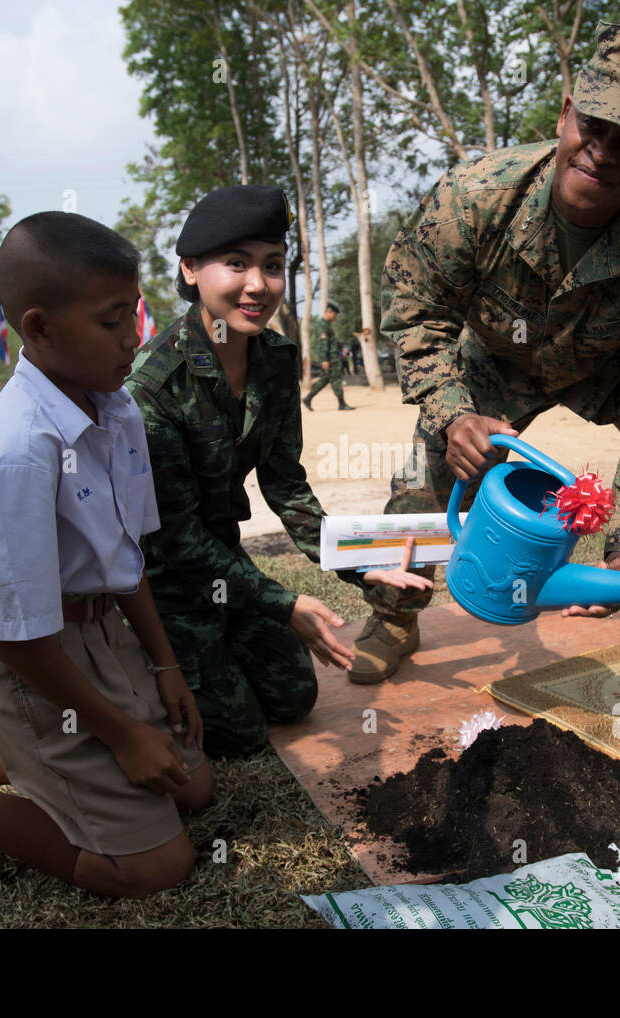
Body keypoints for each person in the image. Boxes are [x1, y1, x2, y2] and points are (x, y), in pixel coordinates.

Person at [352, 21, 620, 779]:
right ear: (565, 114)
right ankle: (394, 617)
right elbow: (416, 312)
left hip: (617, 373)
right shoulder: (476, 197)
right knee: (426, 483)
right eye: (595, 125)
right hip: (493, 364)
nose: (604, 150)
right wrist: (452, 411)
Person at [0, 212, 211, 901]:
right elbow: (10, 634)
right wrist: (119, 733)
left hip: (99, 639)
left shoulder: (112, 411)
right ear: (39, 329)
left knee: (193, 787)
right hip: (32, 665)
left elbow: (123, 557)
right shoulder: (15, 453)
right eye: (112, 321)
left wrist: (164, 662)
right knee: (154, 867)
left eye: (136, 314)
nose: (135, 337)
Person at [128, 186, 424, 757]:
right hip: (158, 579)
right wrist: (281, 602)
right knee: (239, 736)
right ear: (190, 270)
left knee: (293, 697)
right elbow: (171, 534)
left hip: (223, 563)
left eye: (273, 265)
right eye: (235, 263)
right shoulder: (153, 387)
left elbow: (285, 485)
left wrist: (364, 568)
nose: (257, 285)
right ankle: (129, 662)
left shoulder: (276, 360)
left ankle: (209, 658)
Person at [303, 301, 353, 411]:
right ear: (329, 312)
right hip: (330, 359)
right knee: (336, 380)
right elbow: (323, 344)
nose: (335, 317)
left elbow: (332, 342)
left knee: (324, 380)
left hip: (331, 357)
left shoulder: (327, 325)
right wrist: (324, 360)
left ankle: (307, 398)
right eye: (335, 315)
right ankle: (342, 404)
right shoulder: (322, 325)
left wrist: (342, 347)